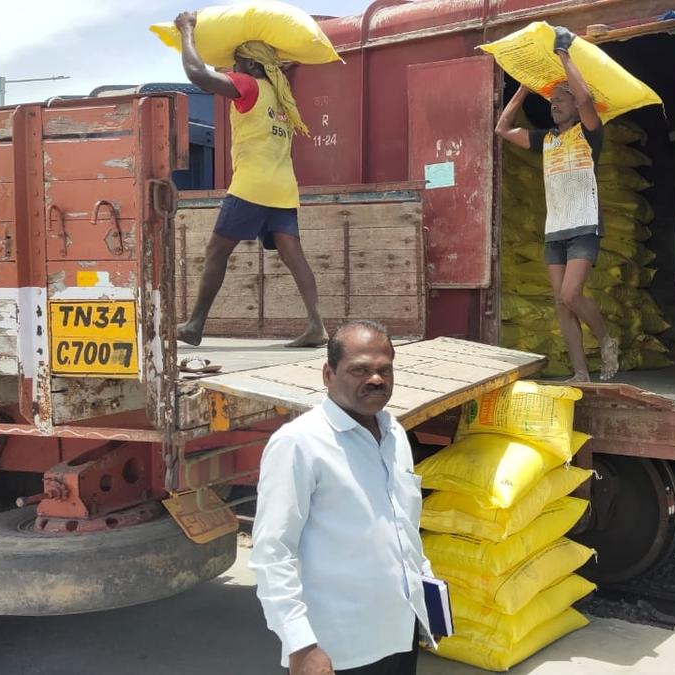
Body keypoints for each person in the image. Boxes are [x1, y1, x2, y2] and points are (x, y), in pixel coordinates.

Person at [250, 320, 434, 675]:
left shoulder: (393, 432)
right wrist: (301, 645)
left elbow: (403, 528)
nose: (376, 379)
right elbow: (273, 553)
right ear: (328, 374)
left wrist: (427, 601)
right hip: (338, 649)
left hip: (400, 634)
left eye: (384, 370)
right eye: (359, 370)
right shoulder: (299, 444)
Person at [172, 11, 327, 348]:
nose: (233, 70)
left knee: (216, 251)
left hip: (253, 186)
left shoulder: (249, 85)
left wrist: (186, 31)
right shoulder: (281, 95)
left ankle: (195, 324)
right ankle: (317, 325)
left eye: (237, 63)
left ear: (252, 67)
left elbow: (197, 74)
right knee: (293, 255)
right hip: (283, 188)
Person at [495, 26, 620, 382]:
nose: (555, 104)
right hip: (556, 230)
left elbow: (585, 101)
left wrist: (564, 56)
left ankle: (606, 340)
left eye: (560, 99)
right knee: (561, 303)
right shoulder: (545, 140)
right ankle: (581, 373)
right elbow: (502, 129)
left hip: (584, 225)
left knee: (571, 294)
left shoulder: (589, 132)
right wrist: (523, 86)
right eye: (551, 101)